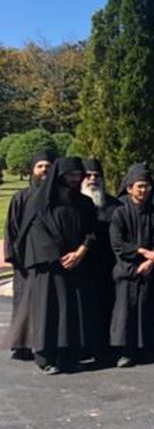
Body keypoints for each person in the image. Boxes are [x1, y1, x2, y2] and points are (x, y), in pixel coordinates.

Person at [9, 157, 96, 374]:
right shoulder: (40, 203)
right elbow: (35, 232)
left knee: (71, 312)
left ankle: (70, 356)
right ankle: (46, 358)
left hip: (75, 266)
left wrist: (80, 252)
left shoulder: (84, 203)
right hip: (48, 268)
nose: (76, 180)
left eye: (79, 175)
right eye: (71, 175)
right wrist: (59, 256)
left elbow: (91, 232)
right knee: (48, 311)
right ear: (61, 176)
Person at [109, 164, 154, 367]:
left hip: (150, 271)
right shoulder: (119, 214)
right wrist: (142, 253)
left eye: (147, 186)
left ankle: (149, 350)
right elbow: (117, 244)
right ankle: (127, 353)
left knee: (148, 311)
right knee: (127, 313)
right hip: (127, 270)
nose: (144, 190)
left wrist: (151, 261)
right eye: (140, 186)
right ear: (129, 188)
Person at [4, 148, 56, 360]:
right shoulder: (20, 197)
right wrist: (13, 256)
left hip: (47, 258)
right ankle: (22, 344)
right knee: (24, 303)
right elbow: (12, 228)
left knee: (46, 304)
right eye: (40, 166)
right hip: (25, 259)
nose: (44, 170)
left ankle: (46, 344)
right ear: (33, 170)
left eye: (48, 166)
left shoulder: (56, 197)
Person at [80, 158, 122, 360]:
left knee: (106, 307)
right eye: (88, 176)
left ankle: (104, 348)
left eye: (97, 176)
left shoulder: (114, 205)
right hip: (82, 266)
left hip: (108, 265)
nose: (92, 179)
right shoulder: (75, 204)